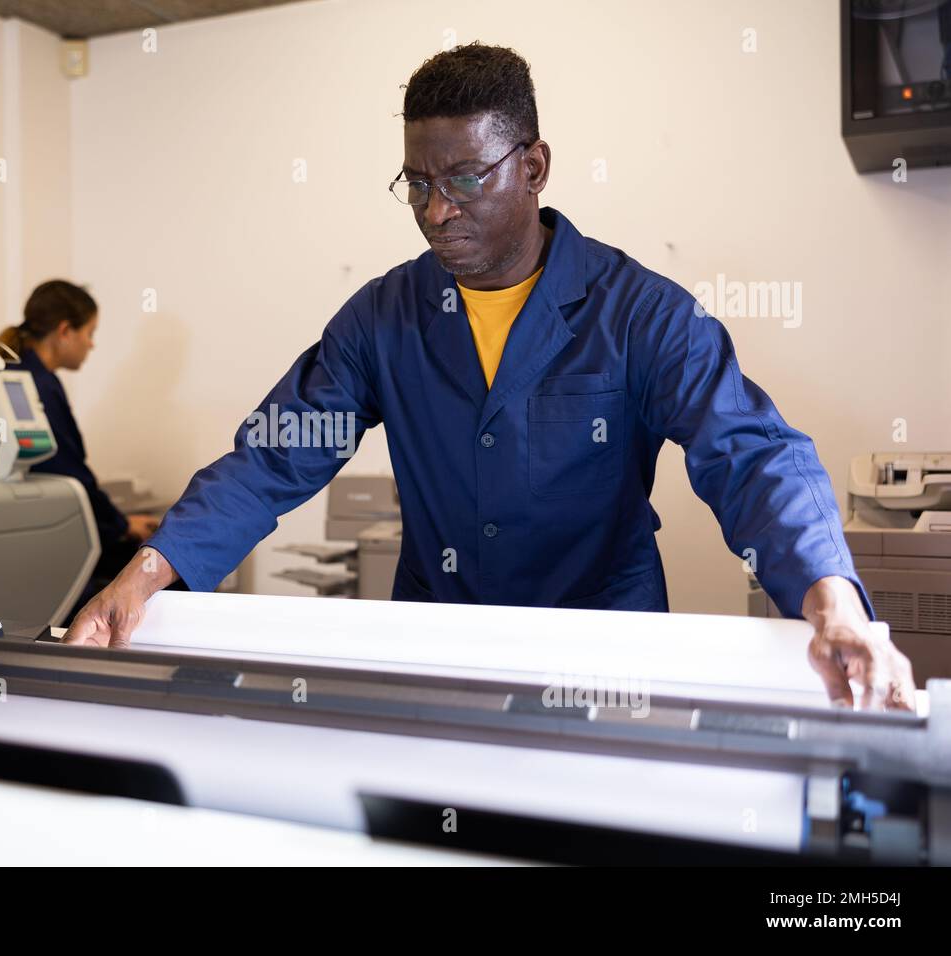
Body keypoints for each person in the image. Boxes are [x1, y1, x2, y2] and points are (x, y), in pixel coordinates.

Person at [64, 44, 914, 711]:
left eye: (466, 177)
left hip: (605, 644)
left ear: (534, 167)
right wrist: (145, 573)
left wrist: (829, 593)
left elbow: (752, 450)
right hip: (439, 640)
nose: (438, 209)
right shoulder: (382, 317)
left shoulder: (641, 313)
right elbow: (275, 454)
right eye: (420, 183)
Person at [0, 280, 159, 612]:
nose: (92, 345)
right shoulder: (38, 385)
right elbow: (69, 476)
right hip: (21, 545)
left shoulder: (8, 373)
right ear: (65, 331)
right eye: (89, 332)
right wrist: (123, 525)